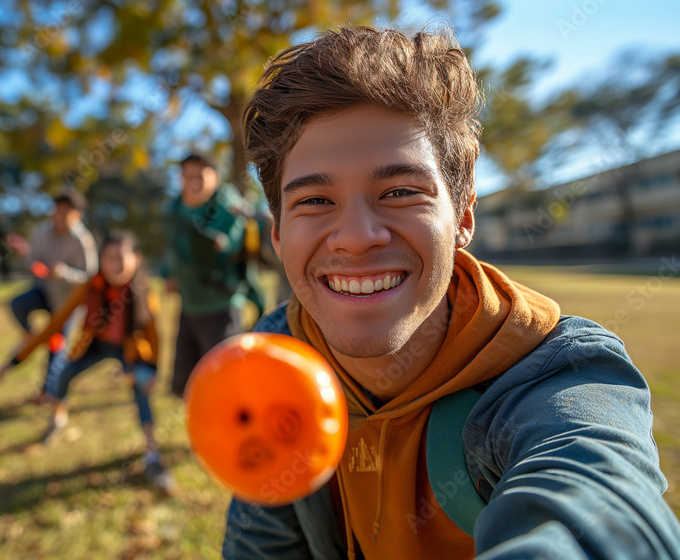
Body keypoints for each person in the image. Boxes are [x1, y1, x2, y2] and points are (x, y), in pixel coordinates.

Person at [222, 25, 680, 559]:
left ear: (462, 217)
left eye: (399, 192)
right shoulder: (274, 358)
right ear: (278, 234)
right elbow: (261, 545)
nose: (355, 238)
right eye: (315, 201)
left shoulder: (561, 376)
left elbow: (600, 509)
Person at [0, 230, 174, 490]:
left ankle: (152, 453)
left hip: (129, 351)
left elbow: (154, 336)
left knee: (139, 387)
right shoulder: (90, 287)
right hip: (95, 346)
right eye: (109, 258)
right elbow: (54, 324)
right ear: (101, 261)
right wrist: (15, 360)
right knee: (64, 373)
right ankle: (57, 419)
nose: (116, 265)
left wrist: (152, 370)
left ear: (136, 259)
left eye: (122, 258)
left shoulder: (144, 292)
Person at [164, 153, 251, 398]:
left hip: (221, 304)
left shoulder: (224, 201)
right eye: (187, 176)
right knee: (189, 382)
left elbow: (237, 224)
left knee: (228, 379)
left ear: (216, 178)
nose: (193, 183)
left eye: (200, 176)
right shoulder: (174, 209)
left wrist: (224, 241)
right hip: (190, 305)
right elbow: (172, 249)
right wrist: (170, 274)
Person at [5, 189, 98, 400]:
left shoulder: (82, 241)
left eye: (66, 213)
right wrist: (27, 255)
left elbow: (90, 279)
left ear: (78, 215)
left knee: (57, 350)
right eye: (56, 211)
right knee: (17, 304)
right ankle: (32, 335)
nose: (59, 217)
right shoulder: (41, 232)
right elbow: (34, 262)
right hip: (45, 291)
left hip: (67, 303)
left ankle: (48, 393)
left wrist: (64, 273)